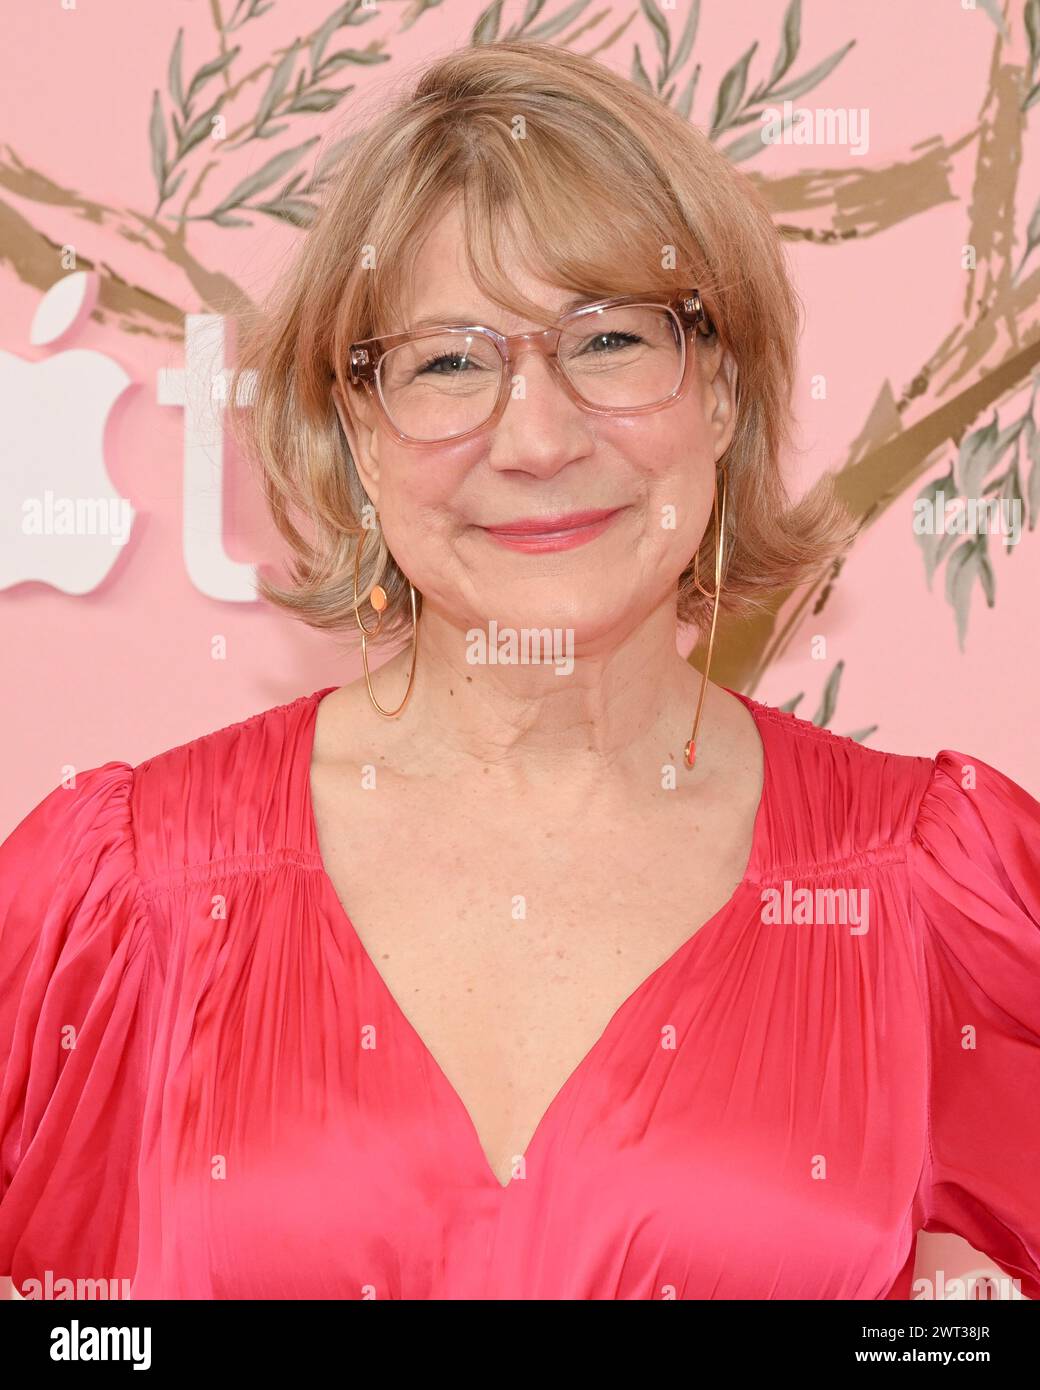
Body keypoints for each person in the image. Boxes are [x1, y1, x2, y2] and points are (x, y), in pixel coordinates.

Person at [1, 39, 1038, 1301]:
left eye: (608, 343)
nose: (538, 438)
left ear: (717, 388)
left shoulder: (946, 898)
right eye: (448, 362)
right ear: (357, 435)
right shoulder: (114, 899)